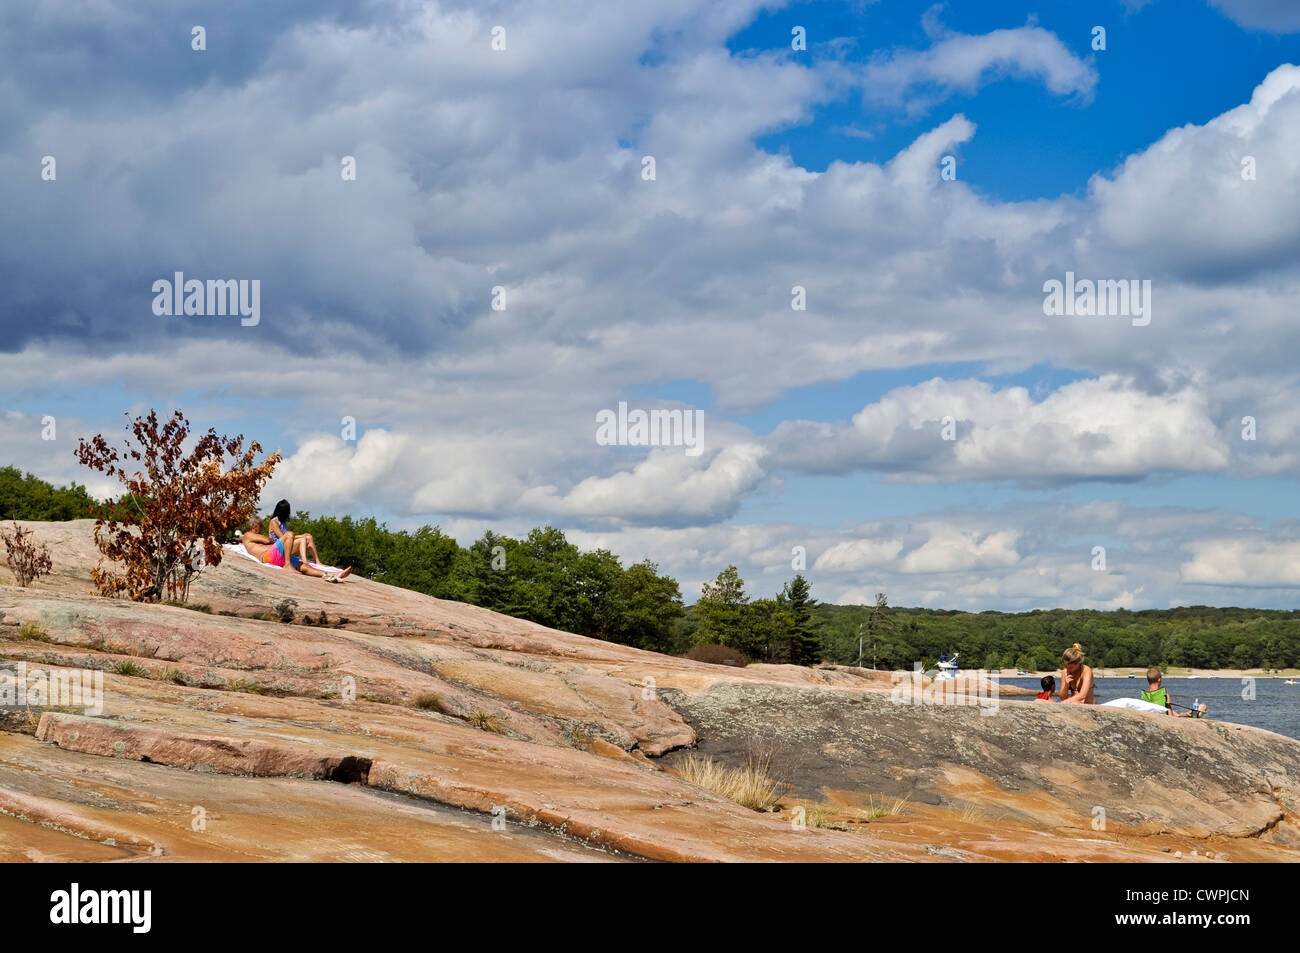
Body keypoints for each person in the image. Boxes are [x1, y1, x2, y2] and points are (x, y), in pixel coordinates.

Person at [242, 517, 345, 581]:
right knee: (289, 534)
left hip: (276, 557)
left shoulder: (252, 536)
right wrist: (281, 540)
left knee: (304, 566)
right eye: (260, 526)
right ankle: (287, 564)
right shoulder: (247, 535)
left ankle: (333, 575)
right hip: (268, 556)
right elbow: (267, 540)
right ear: (253, 526)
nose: (262, 529)